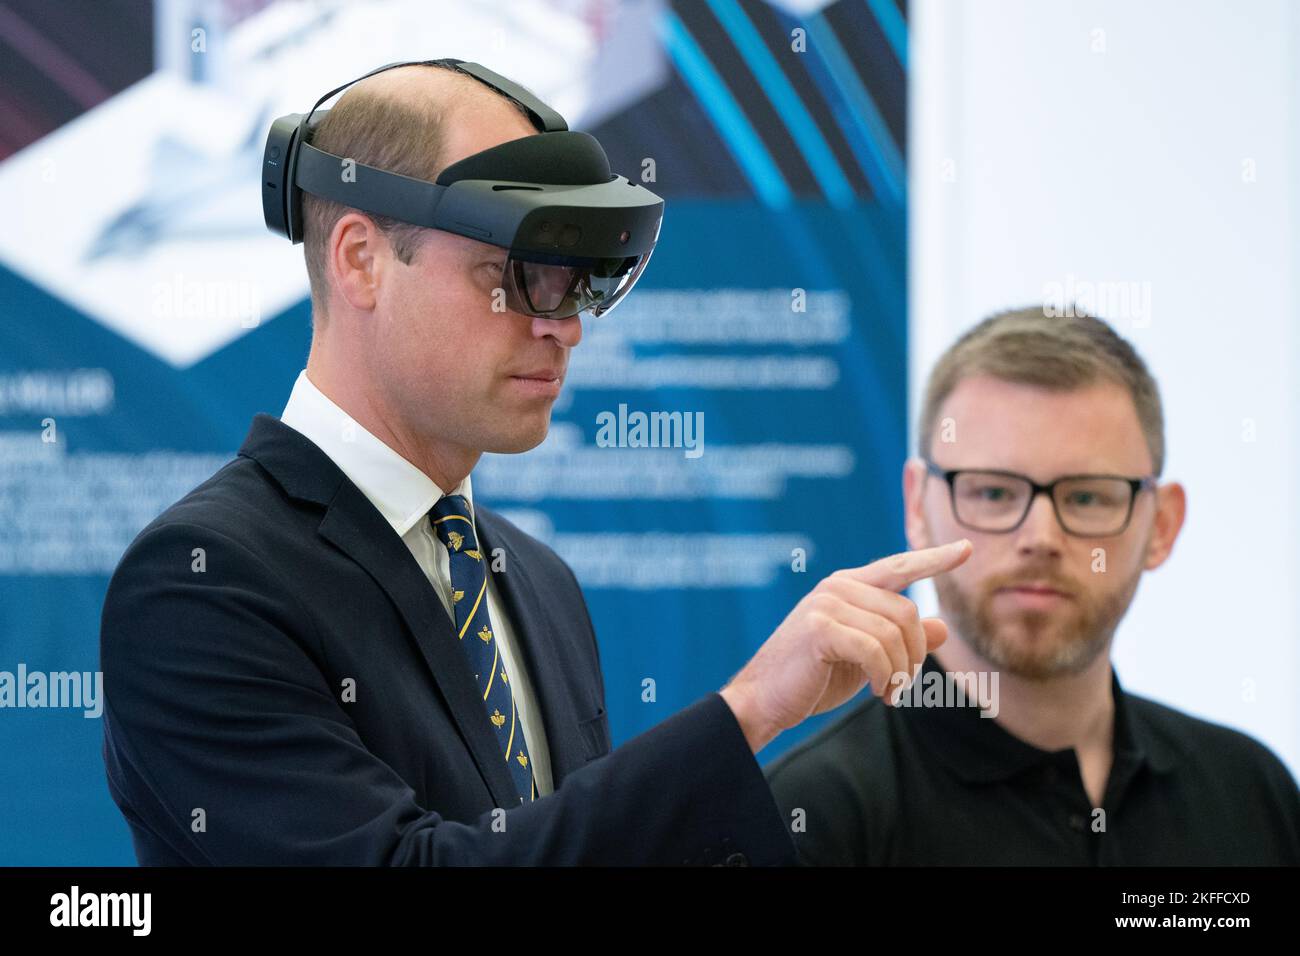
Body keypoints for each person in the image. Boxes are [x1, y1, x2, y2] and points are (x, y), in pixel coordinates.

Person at [99, 59, 971, 865]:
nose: (564, 325)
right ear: (361, 260)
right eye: (519, 271)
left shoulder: (533, 580)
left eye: (580, 282)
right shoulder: (201, 583)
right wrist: (749, 711)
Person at [765, 306, 1300, 865]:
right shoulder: (813, 817)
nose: (1040, 537)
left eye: (1088, 496)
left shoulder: (1251, 794)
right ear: (918, 506)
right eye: (993, 493)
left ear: (1162, 525)